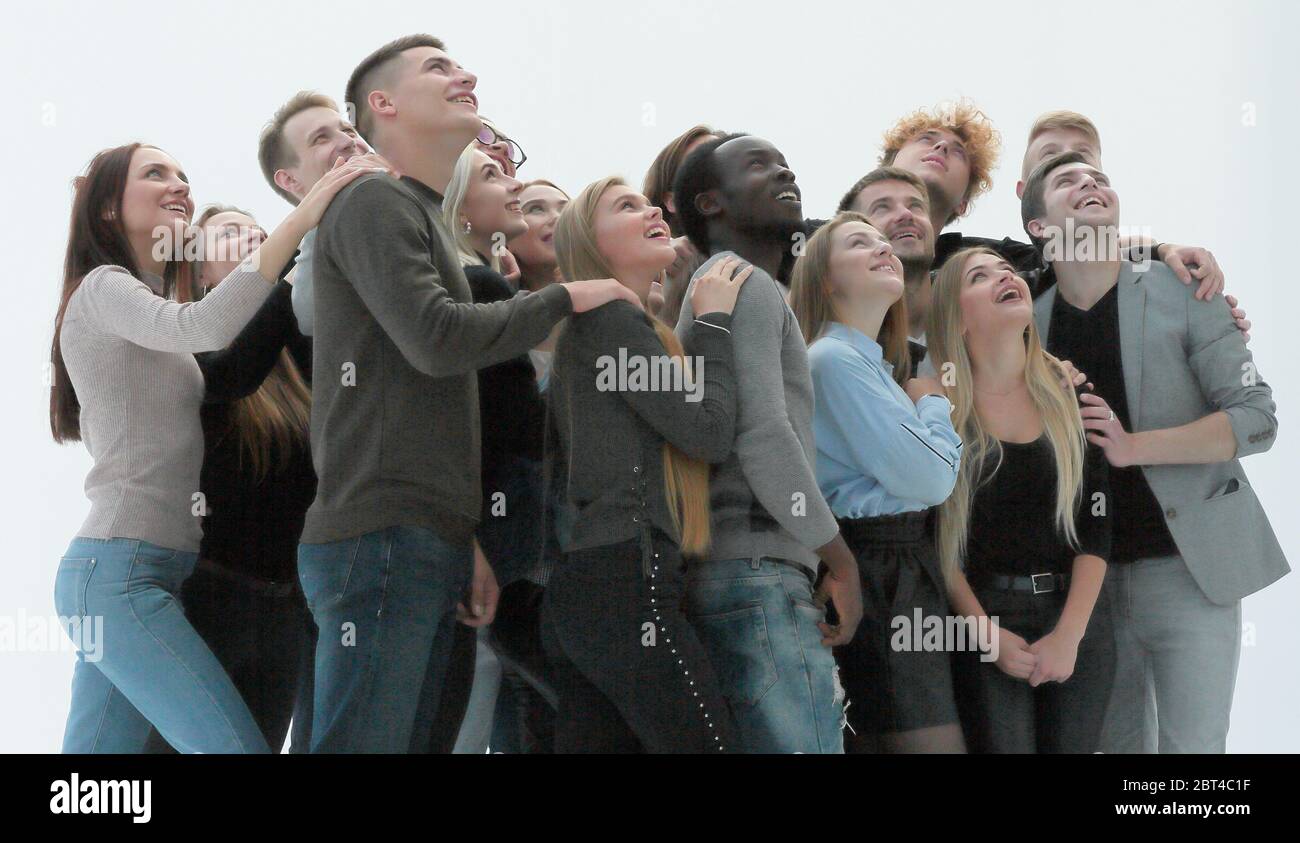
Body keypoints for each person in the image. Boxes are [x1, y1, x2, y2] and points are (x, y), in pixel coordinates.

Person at [295, 34, 639, 753]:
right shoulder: (372, 200)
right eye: (439, 67)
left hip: (425, 539)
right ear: (382, 105)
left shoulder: (412, 212)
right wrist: (566, 298)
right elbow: (435, 336)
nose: (466, 74)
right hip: (383, 534)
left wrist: (465, 540)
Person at [49, 142, 374, 753]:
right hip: (116, 575)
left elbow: (234, 359)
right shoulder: (103, 289)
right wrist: (304, 215)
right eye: (155, 175)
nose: (179, 186)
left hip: (152, 575)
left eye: (183, 175)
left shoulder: (152, 317)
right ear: (108, 212)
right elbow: (203, 327)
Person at [1023, 151, 1289, 753]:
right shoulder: (1024, 326)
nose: (1090, 183)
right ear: (1039, 227)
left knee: (1191, 753)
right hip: (1082, 585)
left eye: (1099, 179)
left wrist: (1132, 447)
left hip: (1188, 568)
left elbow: (1256, 419)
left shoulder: (1186, 288)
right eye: (1068, 182)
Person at [544, 175, 751, 752]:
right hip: (623, 584)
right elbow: (708, 435)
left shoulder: (604, 327)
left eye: (646, 201)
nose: (652, 211)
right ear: (592, 242)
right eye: (625, 206)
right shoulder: (611, 321)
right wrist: (711, 322)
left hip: (597, 585)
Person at [671, 133, 863, 753]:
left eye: (785, 162)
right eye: (758, 164)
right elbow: (763, 436)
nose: (784, 170)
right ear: (709, 203)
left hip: (737, 573)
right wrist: (841, 558)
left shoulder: (722, 286)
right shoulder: (741, 282)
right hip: (758, 572)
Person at [141, 204, 317, 755]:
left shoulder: (296, 358)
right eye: (232, 232)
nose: (257, 237)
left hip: (284, 609)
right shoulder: (182, 345)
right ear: (200, 269)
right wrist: (288, 282)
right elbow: (226, 381)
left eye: (261, 231)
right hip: (204, 596)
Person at [929, 246, 1115, 753]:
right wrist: (985, 635)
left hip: (1075, 621)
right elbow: (938, 541)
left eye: (1007, 270)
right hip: (987, 620)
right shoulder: (937, 409)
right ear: (954, 314)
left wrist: (1070, 635)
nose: (1004, 276)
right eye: (979, 276)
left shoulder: (1071, 398)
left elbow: (1096, 529)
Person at [790, 212, 965, 753]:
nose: (883, 248)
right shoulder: (834, 359)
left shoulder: (868, 364)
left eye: (884, 241)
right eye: (859, 243)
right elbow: (933, 479)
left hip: (903, 564)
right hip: (882, 566)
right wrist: (935, 403)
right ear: (824, 279)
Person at [257, 91, 383, 338]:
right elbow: (315, 319)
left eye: (348, 130)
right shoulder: (304, 261)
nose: (349, 142)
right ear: (290, 180)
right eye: (320, 139)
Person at [836, 167, 937, 376]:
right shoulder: (835, 353)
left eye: (916, 207)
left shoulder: (974, 321)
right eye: (882, 208)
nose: (906, 214)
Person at [643, 125, 722, 326]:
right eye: (701, 164)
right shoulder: (655, 274)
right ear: (672, 201)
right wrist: (653, 259)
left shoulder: (786, 257)